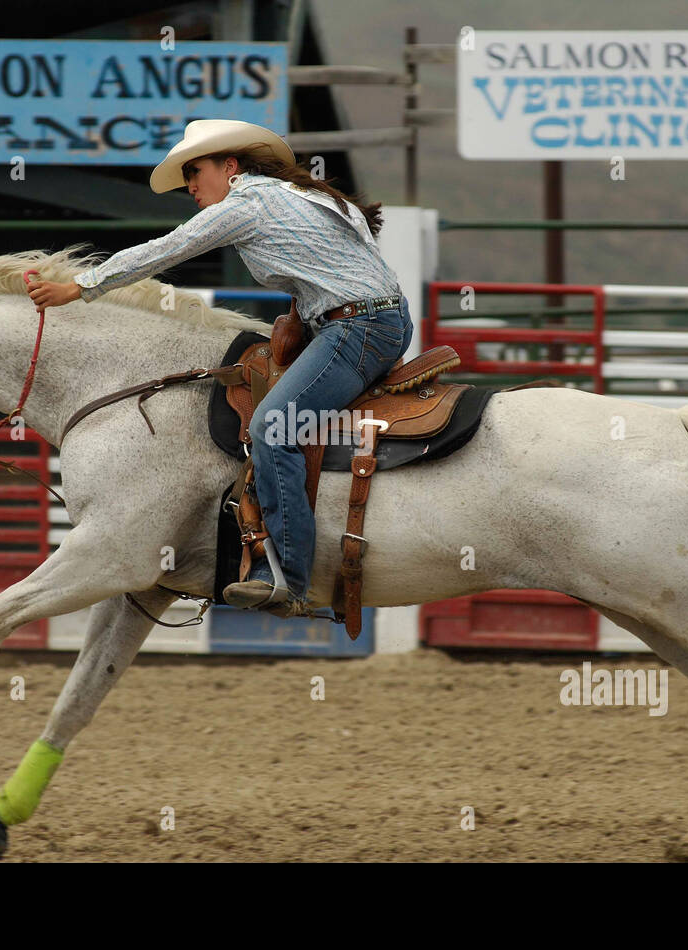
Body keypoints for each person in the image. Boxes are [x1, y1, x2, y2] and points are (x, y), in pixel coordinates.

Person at [27, 119, 414, 614]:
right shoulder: (304, 197)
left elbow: (168, 248)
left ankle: (288, 578)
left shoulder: (247, 205)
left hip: (357, 329)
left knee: (276, 427)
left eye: (195, 171)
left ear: (230, 167)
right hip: (374, 320)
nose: (190, 186)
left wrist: (79, 287)